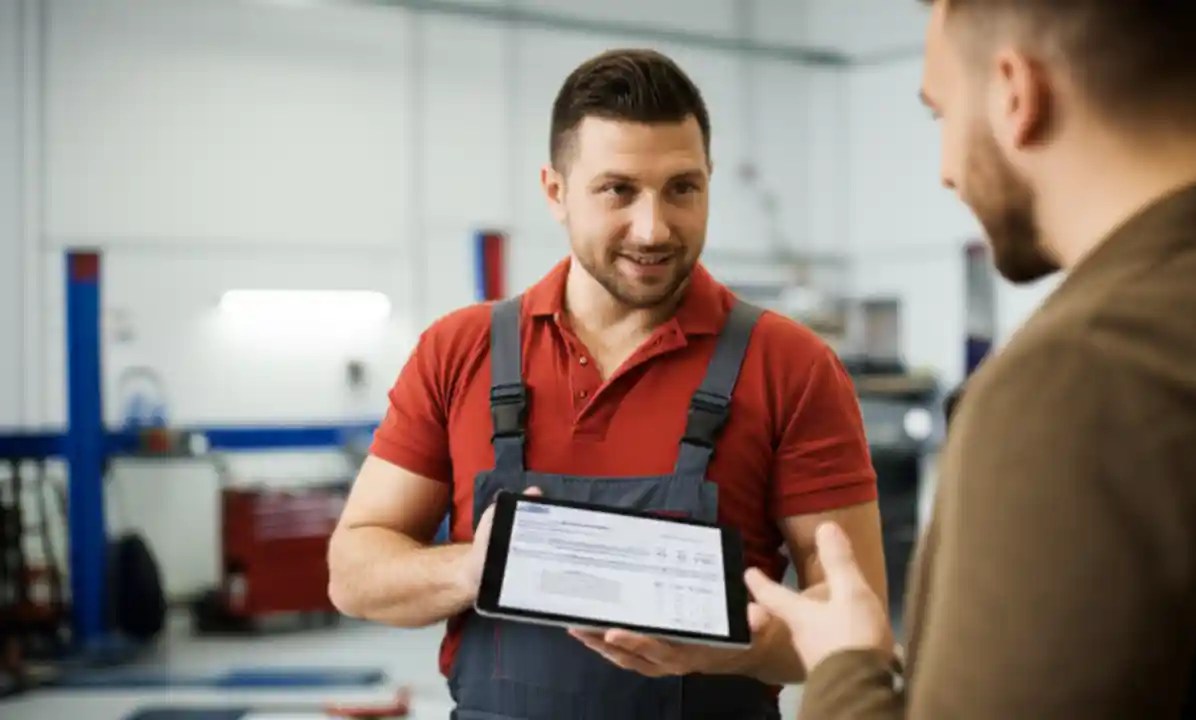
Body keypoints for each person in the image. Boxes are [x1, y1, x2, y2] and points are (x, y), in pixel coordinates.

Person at [745, 0, 1196, 718]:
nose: (943, 171)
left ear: (1013, 93)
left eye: (941, 114)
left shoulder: (1085, 379)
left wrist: (845, 666)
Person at [327, 48, 889, 720]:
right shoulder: (459, 351)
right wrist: (473, 570)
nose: (653, 229)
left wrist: (729, 649)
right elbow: (354, 572)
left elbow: (859, 626)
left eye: (682, 188)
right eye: (618, 189)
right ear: (556, 191)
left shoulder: (789, 366)